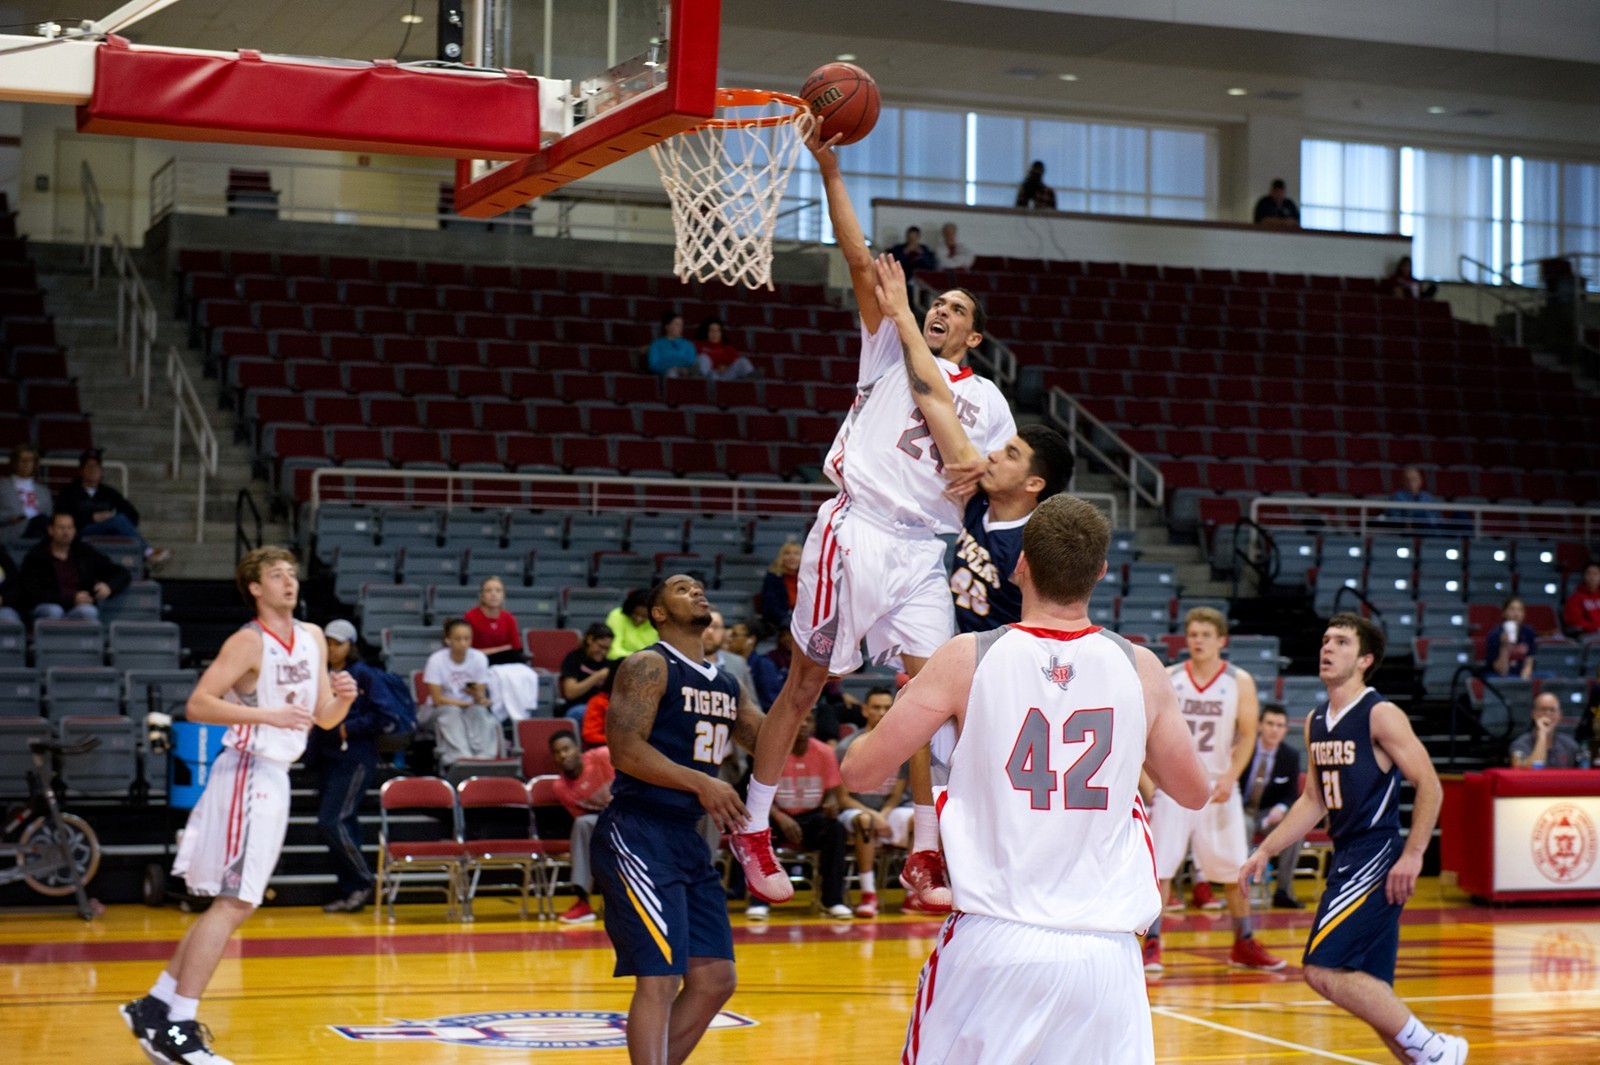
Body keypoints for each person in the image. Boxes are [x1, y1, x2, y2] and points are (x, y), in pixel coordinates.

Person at [728, 126, 1016, 908]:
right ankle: (753, 825)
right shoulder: (886, 344)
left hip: (926, 549)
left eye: (956, 309)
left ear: (974, 336)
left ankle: (927, 845)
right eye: (937, 302)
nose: (940, 311)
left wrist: (980, 480)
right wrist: (830, 168)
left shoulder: (988, 399)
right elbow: (859, 259)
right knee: (806, 680)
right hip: (857, 529)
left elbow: (988, 475)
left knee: (930, 695)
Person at [839, 494, 1209, 1064]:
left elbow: (858, 771)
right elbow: (1193, 791)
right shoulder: (1142, 669)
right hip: (1106, 957)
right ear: (1101, 572)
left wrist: (905, 705)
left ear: (1021, 565)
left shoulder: (967, 657)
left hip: (995, 940)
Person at [119, 547, 356, 1065]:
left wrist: (345, 697)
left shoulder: (313, 637)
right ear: (255, 587)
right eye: (277, 575)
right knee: (234, 902)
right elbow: (198, 704)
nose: (289, 582)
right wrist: (266, 716)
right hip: (248, 775)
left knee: (233, 903)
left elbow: (322, 718)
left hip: (275, 776)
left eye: (292, 574)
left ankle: (155, 1006)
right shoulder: (248, 642)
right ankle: (177, 1027)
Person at [1240, 614, 1466, 1065]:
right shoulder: (1316, 720)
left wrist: (1414, 854)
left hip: (1375, 854)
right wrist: (1266, 848)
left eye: (1341, 642)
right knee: (1372, 989)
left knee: (1321, 969)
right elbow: (1312, 800)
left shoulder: (1380, 713)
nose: (1327, 648)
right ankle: (1427, 1058)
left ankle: (1438, 1049)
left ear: (1365, 659)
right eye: (1325, 639)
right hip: (1347, 854)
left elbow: (1430, 784)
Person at [590, 575, 764, 1065]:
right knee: (661, 976)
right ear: (658, 613)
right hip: (637, 832)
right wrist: (702, 782)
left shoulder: (727, 682)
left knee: (714, 980)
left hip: (687, 838)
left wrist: (806, 682)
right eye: (682, 589)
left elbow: (775, 742)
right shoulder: (648, 664)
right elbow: (625, 750)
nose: (698, 591)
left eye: (701, 587)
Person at [1142, 608, 1284, 975]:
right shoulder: (1170, 677)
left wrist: (1231, 776)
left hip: (1219, 786)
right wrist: (1152, 779)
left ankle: (1244, 942)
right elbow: (1147, 730)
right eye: (1192, 634)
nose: (1198, 640)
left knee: (1234, 869)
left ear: (1222, 640)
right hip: (1174, 785)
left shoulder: (1239, 681)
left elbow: (1248, 733)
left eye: (1206, 634)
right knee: (1160, 868)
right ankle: (1152, 943)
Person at [949, 424, 1074, 632]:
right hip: (968, 645)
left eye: (1011, 455)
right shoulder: (979, 499)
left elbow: (1052, 630)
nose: (993, 456)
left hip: (1006, 657)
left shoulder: (1034, 547)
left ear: (1033, 484)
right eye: (1002, 448)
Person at [310, 619, 390, 914]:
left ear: (350, 646)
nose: (331, 649)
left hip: (356, 757)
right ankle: (351, 891)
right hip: (328, 758)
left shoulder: (364, 675)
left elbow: (385, 715)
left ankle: (364, 880)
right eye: (327, 643)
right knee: (346, 823)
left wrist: (348, 728)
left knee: (331, 821)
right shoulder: (320, 675)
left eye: (338, 643)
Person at [747, 708, 857, 921]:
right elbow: (757, 795)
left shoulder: (825, 752)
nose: (804, 724)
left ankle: (833, 900)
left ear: (814, 726)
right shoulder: (772, 751)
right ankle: (759, 901)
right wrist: (781, 817)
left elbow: (831, 795)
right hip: (777, 815)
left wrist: (830, 806)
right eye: (799, 719)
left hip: (811, 817)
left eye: (809, 720)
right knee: (758, 828)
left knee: (835, 830)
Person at [834, 686, 912, 918]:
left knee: (919, 820)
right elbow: (843, 798)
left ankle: (913, 892)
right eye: (877, 707)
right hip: (855, 810)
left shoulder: (904, 744)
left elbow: (897, 794)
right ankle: (868, 894)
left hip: (889, 808)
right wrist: (876, 816)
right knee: (866, 821)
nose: (882, 712)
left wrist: (885, 813)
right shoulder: (846, 747)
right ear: (865, 711)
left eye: (887, 708)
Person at [54, 449, 172, 569]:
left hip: (109, 534)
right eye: (89, 466)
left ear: (101, 470)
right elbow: (61, 517)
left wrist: (110, 518)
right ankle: (148, 554)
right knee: (119, 521)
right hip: (80, 532)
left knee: (120, 522)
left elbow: (133, 515)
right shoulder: (69, 492)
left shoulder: (109, 492)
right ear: (81, 470)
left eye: (96, 467)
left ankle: (142, 564)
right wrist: (92, 517)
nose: (93, 470)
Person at [1240, 704, 1305, 910]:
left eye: (1280, 725)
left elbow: (1291, 794)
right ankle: (1237, 890)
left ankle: (1283, 891)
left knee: (1295, 832)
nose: (1274, 729)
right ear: (1259, 725)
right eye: (1270, 724)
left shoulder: (1290, 755)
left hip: (1268, 813)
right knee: (1244, 825)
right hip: (1241, 810)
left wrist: (1281, 809)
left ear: (1286, 729)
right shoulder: (1244, 748)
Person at [549, 730, 614, 924]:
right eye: (557, 752)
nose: (562, 755)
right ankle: (583, 902)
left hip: (635, 812)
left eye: (566, 749)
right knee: (582, 824)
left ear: (578, 749)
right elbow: (584, 819)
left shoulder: (603, 756)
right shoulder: (560, 787)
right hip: (606, 823)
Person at [18, 511, 131, 621]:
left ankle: (84, 640)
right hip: (48, 606)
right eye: (61, 528)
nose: (66, 532)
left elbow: (120, 572)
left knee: (88, 611)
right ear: (50, 530)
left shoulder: (84, 552)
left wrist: (109, 586)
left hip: (78, 608)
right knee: (54, 611)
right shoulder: (36, 556)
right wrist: (71, 600)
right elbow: (32, 593)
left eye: (69, 528)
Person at [421, 618, 500, 771]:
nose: (463, 643)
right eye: (458, 639)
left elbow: (480, 697)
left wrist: (478, 696)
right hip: (439, 710)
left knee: (480, 712)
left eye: (467, 639)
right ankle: (460, 759)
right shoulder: (436, 661)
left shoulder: (479, 658)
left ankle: (484, 759)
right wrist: (466, 703)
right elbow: (438, 700)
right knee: (452, 712)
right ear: (448, 640)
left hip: (469, 708)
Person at [464, 576, 541, 722]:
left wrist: (502, 650)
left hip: (506, 659)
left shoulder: (508, 618)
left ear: (503, 595)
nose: (493, 594)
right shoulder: (471, 617)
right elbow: (469, 651)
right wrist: (501, 649)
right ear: (482, 596)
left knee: (522, 669)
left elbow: (515, 649)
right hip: (479, 661)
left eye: (498, 590)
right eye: (489, 590)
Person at [1510, 691, 1589, 769]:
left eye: (1552, 710)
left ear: (1560, 715)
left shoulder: (1569, 744)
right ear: (1533, 713)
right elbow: (1531, 770)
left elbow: (1585, 768)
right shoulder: (1521, 744)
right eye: (1543, 709)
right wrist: (1542, 734)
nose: (1548, 714)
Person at [558, 623, 613, 724]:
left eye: (607, 649)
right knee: (582, 712)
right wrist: (598, 676)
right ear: (590, 640)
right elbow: (570, 693)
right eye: (601, 646)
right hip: (578, 706)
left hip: (602, 706)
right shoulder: (573, 658)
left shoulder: (608, 664)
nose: (603, 652)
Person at [0, 442, 50, 548]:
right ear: (14, 462)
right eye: (23, 460)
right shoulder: (2, 486)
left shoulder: (43, 491)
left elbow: (49, 515)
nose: (27, 464)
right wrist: (9, 518)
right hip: (12, 530)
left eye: (30, 460)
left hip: (39, 528)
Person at [1484, 596, 1536, 680]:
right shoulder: (1495, 635)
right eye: (1512, 609)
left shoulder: (1529, 632)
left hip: (1521, 675)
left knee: (1548, 676)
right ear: (1504, 613)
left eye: (1520, 610)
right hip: (1500, 676)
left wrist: (1523, 680)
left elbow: (1529, 662)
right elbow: (1501, 671)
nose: (1516, 614)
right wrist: (1504, 646)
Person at [604, 589, 659, 661]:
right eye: (635, 613)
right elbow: (612, 652)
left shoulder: (656, 621)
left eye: (644, 616)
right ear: (629, 609)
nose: (638, 619)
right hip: (619, 663)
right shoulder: (617, 616)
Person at [758, 541, 800, 629]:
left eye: (796, 554)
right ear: (781, 557)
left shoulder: (808, 578)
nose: (792, 557)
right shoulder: (772, 578)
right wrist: (787, 618)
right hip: (781, 621)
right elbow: (770, 606)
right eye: (787, 553)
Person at [1387, 466, 1442, 533]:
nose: (1411, 482)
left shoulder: (1429, 498)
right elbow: (1394, 518)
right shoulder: (1397, 497)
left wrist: (1425, 520)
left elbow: (1436, 517)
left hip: (1428, 530)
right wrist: (1407, 522)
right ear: (1403, 481)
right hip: (1405, 531)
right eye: (1408, 480)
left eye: (1414, 479)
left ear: (1421, 480)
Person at [646, 310, 697, 377]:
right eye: (676, 324)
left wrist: (683, 369)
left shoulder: (689, 345)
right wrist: (672, 368)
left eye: (681, 325)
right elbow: (653, 365)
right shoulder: (656, 344)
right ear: (667, 326)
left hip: (687, 374)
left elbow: (691, 362)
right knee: (672, 372)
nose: (680, 327)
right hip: (666, 374)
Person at [1563, 563, 1600, 636]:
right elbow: (1573, 621)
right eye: (1588, 573)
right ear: (1584, 576)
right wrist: (1595, 627)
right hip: (1586, 634)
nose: (1591, 577)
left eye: (1595, 574)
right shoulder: (1575, 598)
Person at [0, 543, 20, 624]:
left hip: (3, 608)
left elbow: (17, 589)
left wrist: (3, 599)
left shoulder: (3, 558)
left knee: (8, 618)